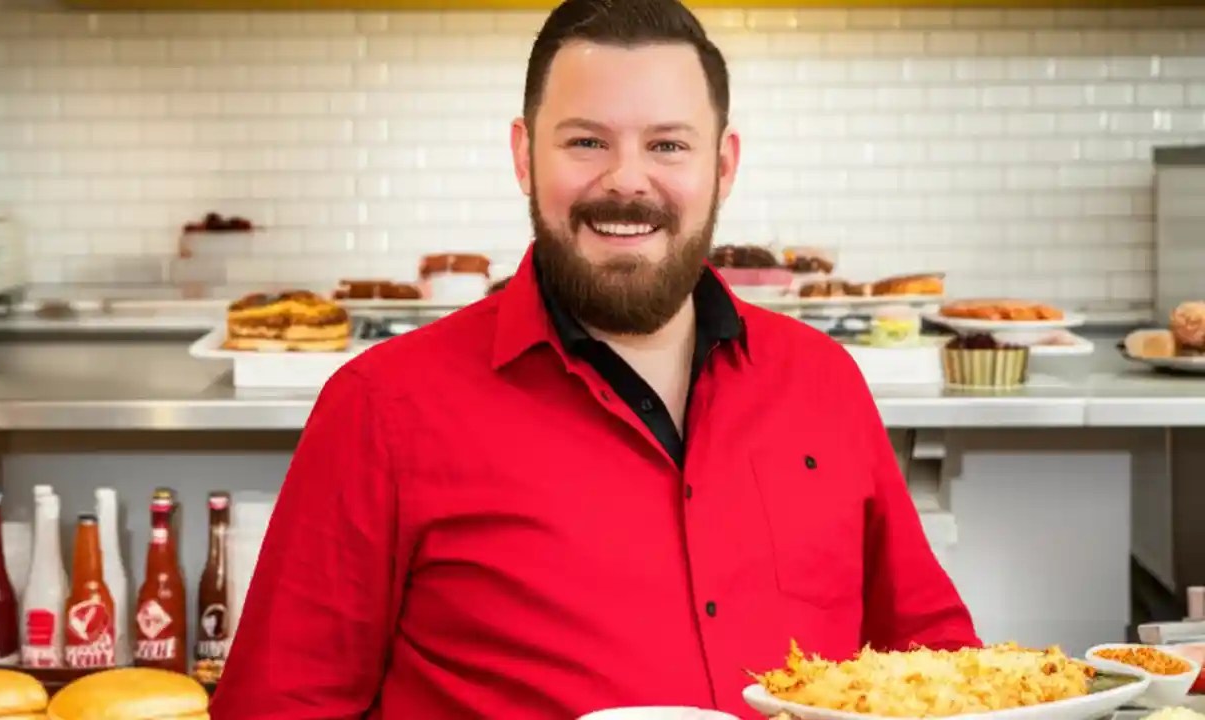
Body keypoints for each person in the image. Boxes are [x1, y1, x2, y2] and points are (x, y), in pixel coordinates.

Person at [210, 0, 980, 717]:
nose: (626, 182)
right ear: (523, 156)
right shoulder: (381, 407)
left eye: (668, 145)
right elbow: (279, 705)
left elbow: (943, 665)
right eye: (586, 141)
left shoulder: (824, 384)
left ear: (724, 165)